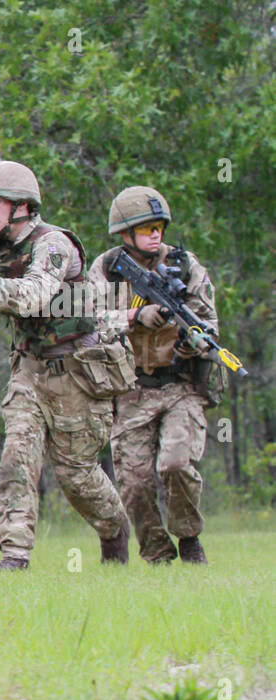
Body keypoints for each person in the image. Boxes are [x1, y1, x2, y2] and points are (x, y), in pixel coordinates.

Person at [0, 160, 130, 570]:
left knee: (77, 477)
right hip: (29, 369)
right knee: (16, 455)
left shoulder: (53, 244)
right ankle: (14, 555)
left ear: (22, 204)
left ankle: (115, 529)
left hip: (78, 372)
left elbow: (33, 296)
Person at [85, 187, 218, 564]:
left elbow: (208, 323)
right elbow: (86, 320)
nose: (155, 233)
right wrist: (133, 317)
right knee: (135, 484)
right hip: (130, 390)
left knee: (176, 464)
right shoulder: (108, 269)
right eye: (145, 227)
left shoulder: (185, 265)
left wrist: (194, 342)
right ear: (125, 233)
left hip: (179, 386)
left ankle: (189, 539)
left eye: (159, 226)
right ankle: (158, 557)